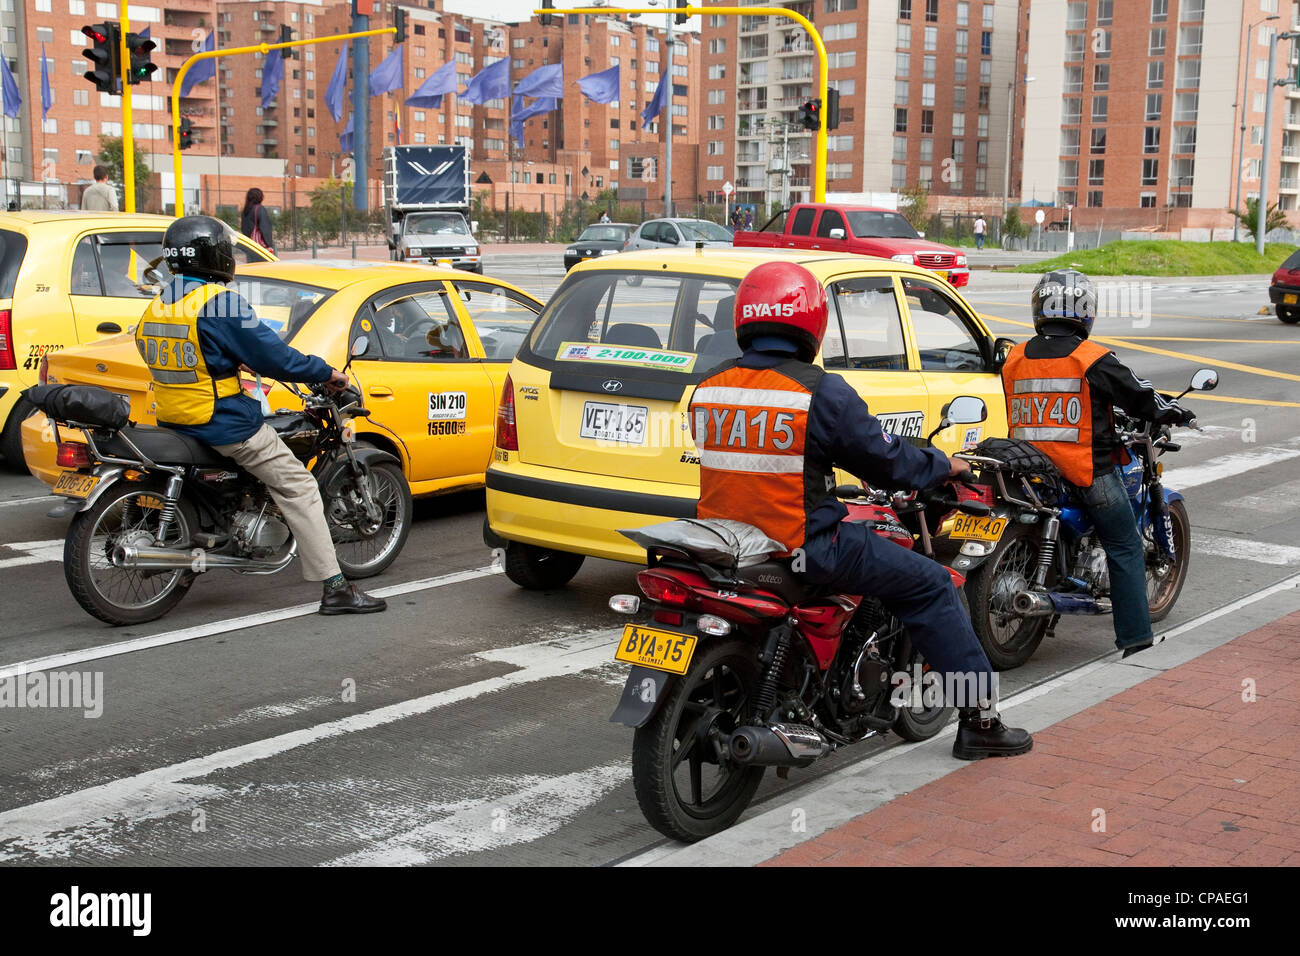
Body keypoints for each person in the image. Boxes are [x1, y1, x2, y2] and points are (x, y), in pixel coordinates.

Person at [689, 261, 1032, 760]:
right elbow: (887, 461)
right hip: (804, 547)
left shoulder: (711, 385)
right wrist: (944, 465)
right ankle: (979, 718)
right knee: (931, 584)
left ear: (744, 319)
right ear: (811, 323)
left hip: (723, 543)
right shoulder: (820, 392)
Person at [139, 215, 386, 615]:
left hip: (173, 418)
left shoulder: (159, 304)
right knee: (300, 487)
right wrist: (328, 374)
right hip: (224, 423)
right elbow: (274, 357)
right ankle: (336, 587)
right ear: (215, 256)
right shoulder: (219, 303)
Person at [1002, 269, 1195, 658]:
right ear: (1086, 310)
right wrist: (1177, 412)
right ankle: (1136, 639)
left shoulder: (1016, 357)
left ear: (1040, 307)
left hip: (1029, 469)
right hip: (1085, 471)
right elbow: (1141, 397)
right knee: (1124, 546)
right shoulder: (1091, 358)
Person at [240, 187, 274, 253]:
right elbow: (265, 228)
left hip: (250, 245)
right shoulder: (260, 209)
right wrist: (269, 244)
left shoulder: (245, 211)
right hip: (261, 247)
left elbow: (244, 228)